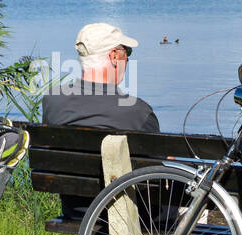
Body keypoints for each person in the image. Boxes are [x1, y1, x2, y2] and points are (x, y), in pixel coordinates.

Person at [42, 22, 160, 221]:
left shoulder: (52, 101)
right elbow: (156, 171)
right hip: (135, 214)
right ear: (114, 56)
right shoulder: (138, 111)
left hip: (77, 211)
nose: (128, 59)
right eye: (127, 53)